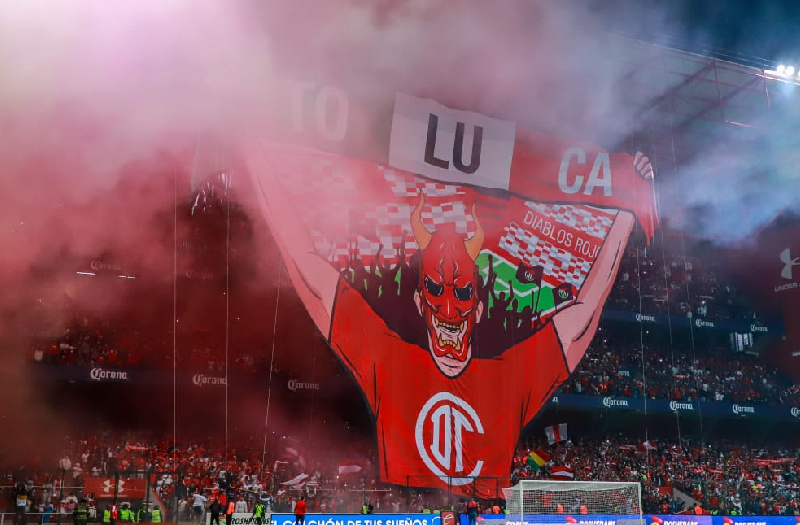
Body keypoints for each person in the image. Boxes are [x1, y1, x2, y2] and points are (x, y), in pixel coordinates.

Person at [246, 148, 654, 496]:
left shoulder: (511, 374)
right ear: (421, 302)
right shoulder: (389, 357)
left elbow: (584, 311)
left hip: (473, 504)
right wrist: (256, 156)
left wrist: (628, 213)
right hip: (410, 499)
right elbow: (307, 264)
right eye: (436, 291)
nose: (448, 308)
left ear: (478, 306)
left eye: (461, 292)